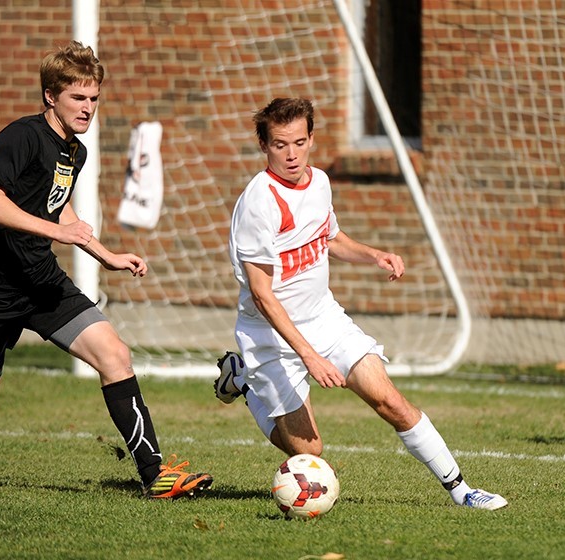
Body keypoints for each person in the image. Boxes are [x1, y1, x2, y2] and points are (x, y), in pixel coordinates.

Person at [0, 41, 212, 499]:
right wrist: (58, 231)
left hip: (40, 280)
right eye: (78, 98)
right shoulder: (21, 136)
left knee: (115, 355)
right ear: (51, 96)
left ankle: (155, 475)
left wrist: (104, 253)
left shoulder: (74, 151)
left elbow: (56, 204)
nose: (88, 108)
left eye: (94, 98)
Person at [215, 97, 507, 510]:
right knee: (309, 450)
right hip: (270, 334)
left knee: (391, 401)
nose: (292, 154)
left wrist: (374, 255)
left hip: (324, 319)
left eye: (299, 142)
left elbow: (330, 238)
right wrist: (310, 355)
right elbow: (262, 295)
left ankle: (463, 491)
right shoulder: (259, 202)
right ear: (264, 145)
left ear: (311, 138)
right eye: (280, 145)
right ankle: (245, 382)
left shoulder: (319, 182)